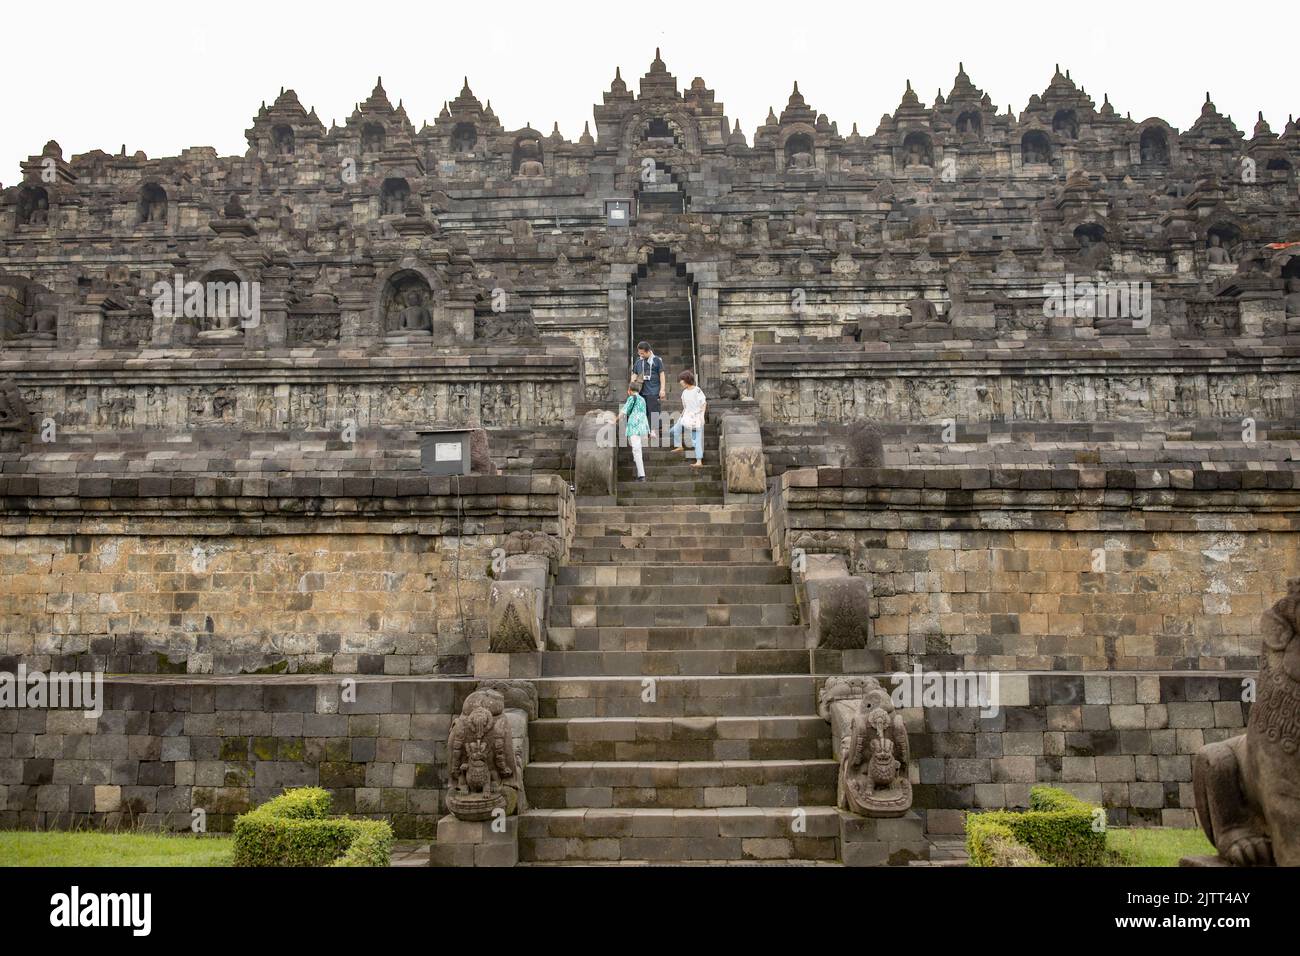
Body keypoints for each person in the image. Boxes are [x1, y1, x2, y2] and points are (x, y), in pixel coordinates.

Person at [670, 370, 707, 467]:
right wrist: (681, 416)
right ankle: (679, 446)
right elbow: (685, 407)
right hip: (686, 416)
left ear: (686, 380)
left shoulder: (697, 390)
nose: (680, 382)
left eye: (681, 380)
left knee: (697, 440)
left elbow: (703, 403)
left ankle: (699, 461)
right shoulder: (684, 392)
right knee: (674, 430)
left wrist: (702, 416)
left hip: (696, 418)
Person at [633, 341, 667, 439]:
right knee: (642, 411)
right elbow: (634, 374)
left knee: (654, 410)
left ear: (648, 351)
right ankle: (644, 431)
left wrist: (662, 389)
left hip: (653, 389)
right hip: (641, 390)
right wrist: (632, 387)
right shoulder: (638, 361)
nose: (641, 355)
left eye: (642, 353)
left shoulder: (657, 360)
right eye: (639, 353)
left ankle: (654, 431)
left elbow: (662, 374)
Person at [622, 377, 650, 482]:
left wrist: (614, 420)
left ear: (629, 390)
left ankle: (641, 475)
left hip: (634, 427)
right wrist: (648, 429)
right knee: (637, 449)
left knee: (636, 450)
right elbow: (644, 415)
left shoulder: (631, 398)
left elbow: (623, 412)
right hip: (642, 427)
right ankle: (639, 473)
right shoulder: (642, 400)